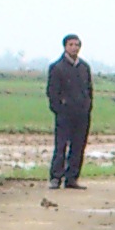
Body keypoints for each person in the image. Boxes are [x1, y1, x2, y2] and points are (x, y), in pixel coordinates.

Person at [46, 34, 93, 189]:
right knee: (61, 146)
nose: (74, 48)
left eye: (77, 45)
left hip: (82, 114)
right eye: (71, 44)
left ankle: (72, 178)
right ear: (65, 47)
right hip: (64, 114)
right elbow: (52, 92)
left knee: (78, 146)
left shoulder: (84, 67)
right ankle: (56, 178)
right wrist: (59, 109)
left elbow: (89, 90)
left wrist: (87, 107)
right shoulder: (57, 67)